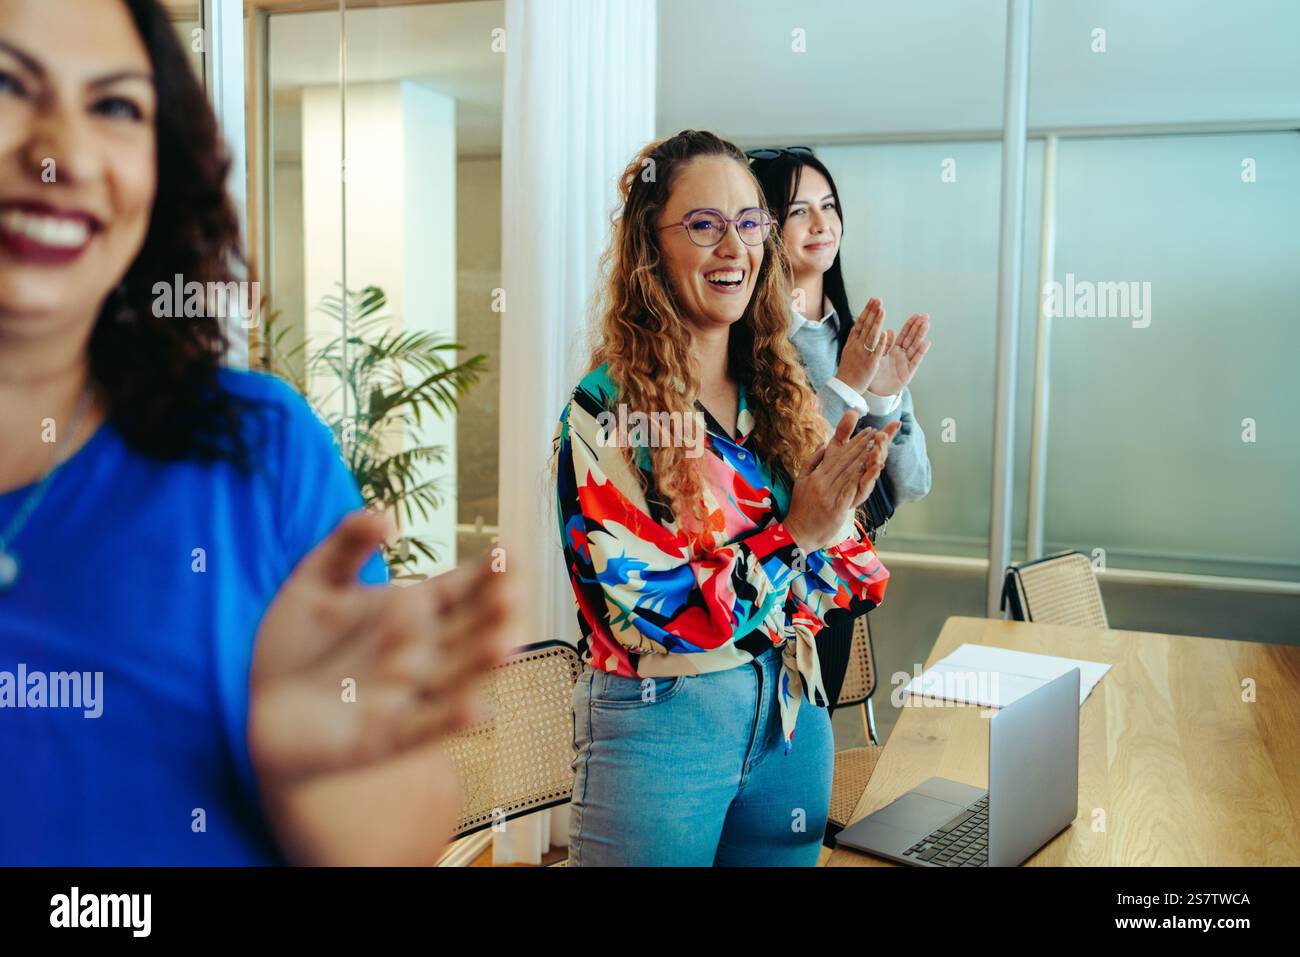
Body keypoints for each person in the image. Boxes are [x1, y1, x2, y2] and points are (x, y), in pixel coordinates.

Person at [0, 0, 513, 865]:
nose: (65, 154)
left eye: (117, 105)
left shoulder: (257, 451)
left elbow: (409, 829)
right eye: (10, 85)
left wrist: (322, 776)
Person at [552, 130, 901, 866]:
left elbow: (855, 579)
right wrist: (797, 536)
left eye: (749, 223)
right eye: (704, 225)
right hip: (662, 730)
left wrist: (831, 518)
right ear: (651, 245)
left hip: (791, 719)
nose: (733, 248)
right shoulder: (608, 411)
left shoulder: (775, 396)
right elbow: (664, 611)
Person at [749, 146, 934, 706]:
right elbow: (780, 473)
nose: (821, 223)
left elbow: (913, 482)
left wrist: (885, 396)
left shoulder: (853, 336)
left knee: (810, 739)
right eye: (798, 210)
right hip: (768, 583)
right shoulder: (751, 344)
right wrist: (850, 387)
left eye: (828, 205)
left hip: (835, 586)